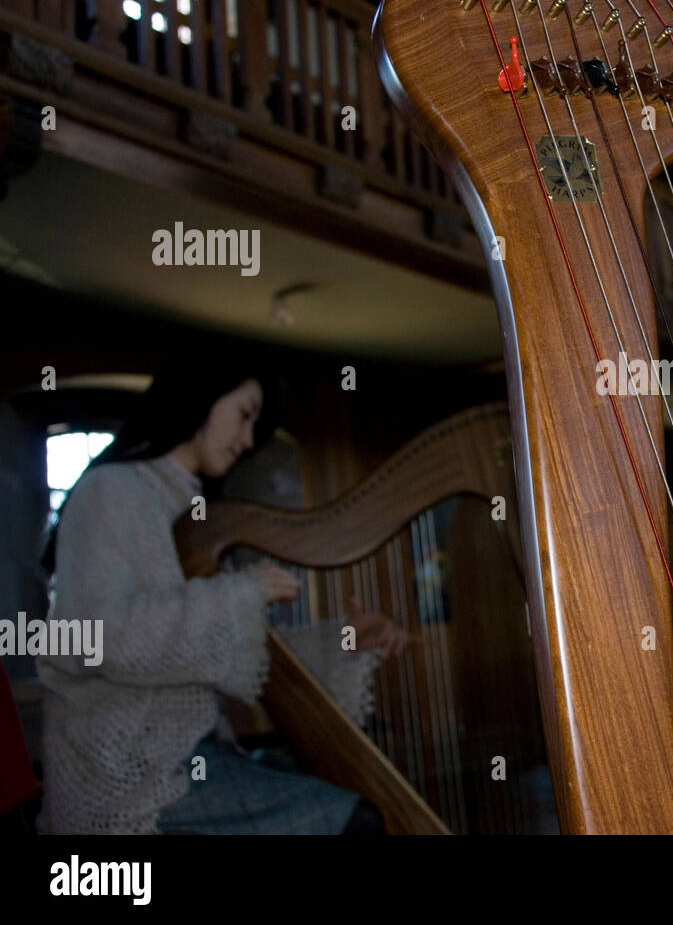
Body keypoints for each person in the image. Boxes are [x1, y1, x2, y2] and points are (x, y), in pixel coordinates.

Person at [36, 351, 412, 834]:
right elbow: (100, 637)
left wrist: (345, 640)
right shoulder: (110, 491)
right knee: (355, 821)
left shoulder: (202, 515)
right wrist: (242, 594)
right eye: (244, 414)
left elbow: (241, 658)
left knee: (351, 803)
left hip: (198, 759)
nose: (248, 439)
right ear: (201, 397)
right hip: (129, 778)